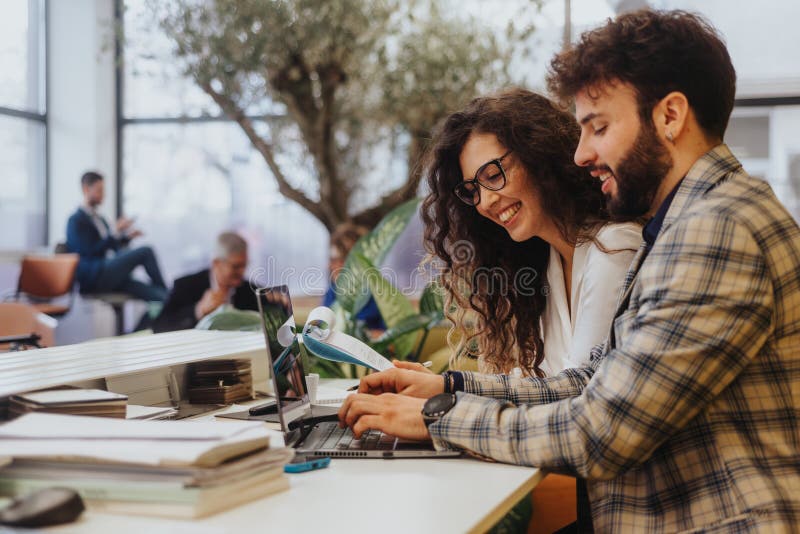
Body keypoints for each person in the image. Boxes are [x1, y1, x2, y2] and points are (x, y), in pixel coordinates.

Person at [339, 9, 800, 532]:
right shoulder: (687, 225)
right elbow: (595, 383)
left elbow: (600, 432)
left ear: (670, 116)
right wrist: (448, 387)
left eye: (598, 128)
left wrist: (438, 417)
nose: (582, 154)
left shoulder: (715, 231)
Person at [412, 88, 640, 378]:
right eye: (472, 191)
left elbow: (576, 392)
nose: (485, 202)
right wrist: (431, 390)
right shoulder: (545, 266)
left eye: (493, 176)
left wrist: (449, 390)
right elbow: (530, 387)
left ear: (539, 155)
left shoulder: (613, 248)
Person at [66, 171, 167, 302]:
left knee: (158, 296)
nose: (103, 195)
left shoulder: (100, 219)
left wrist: (126, 237)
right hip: (94, 276)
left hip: (110, 273)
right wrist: (114, 231)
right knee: (146, 251)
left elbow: (109, 245)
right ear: (86, 189)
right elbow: (89, 252)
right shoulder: (75, 221)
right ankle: (170, 296)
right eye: (99, 190)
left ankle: (171, 300)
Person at [152, 232, 257, 332]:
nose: (242, 271)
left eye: (245, 265)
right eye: (236, 266)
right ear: (216, 263)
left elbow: (270, 299)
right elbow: (159, 327)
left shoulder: (248, 289)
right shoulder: (185, 286)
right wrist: (198, 310)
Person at [323, 223, 386, 331]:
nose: (331, 266)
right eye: (332, 260)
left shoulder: (380, 294)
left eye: (340, 260)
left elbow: (392, 342)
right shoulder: (333, 292)